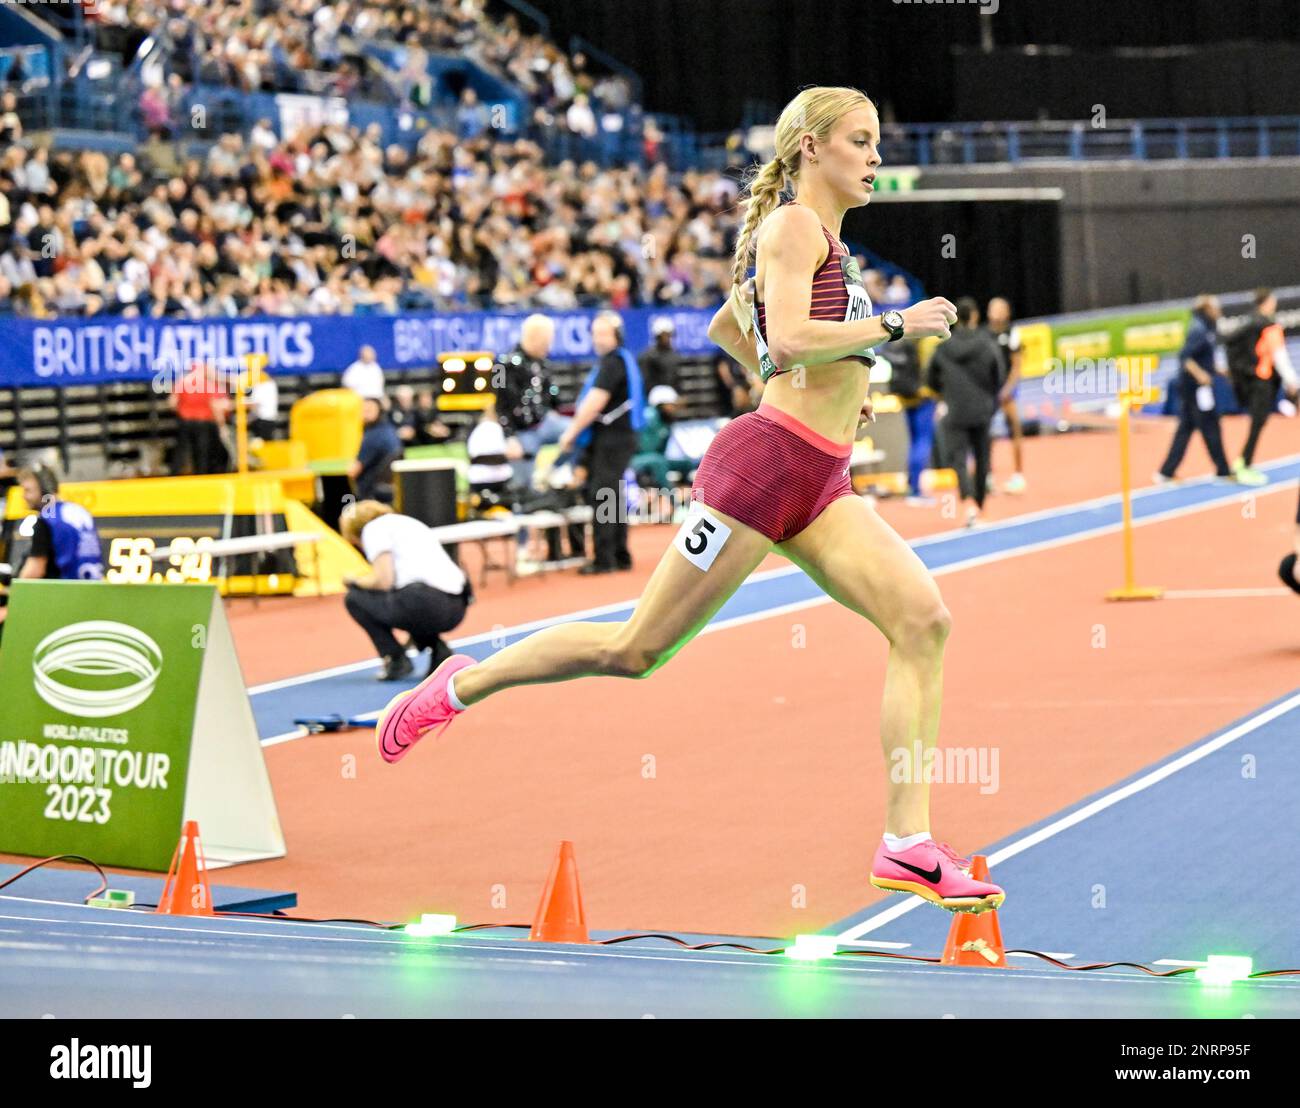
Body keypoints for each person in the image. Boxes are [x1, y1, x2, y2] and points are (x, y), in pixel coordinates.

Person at [372, 87, 1002, 917]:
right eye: (862, 140)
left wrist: (834, 385)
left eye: (877, 140)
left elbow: (730, 332)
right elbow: (780, 340)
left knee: (925, 621)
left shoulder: (828, 248)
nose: (876, 155)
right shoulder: (791, 229)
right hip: (763, 470)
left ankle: (907, 844)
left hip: (820, 479)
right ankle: (458, 686)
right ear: (813, 148)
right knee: (635, 650)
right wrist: (891, 328)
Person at [340, 500, 473, 681]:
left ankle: (395, 659)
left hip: (427, 603)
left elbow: (383, 581)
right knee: (405, 596)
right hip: (457, 605)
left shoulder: (373, 529)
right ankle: (439, 652)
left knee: (354, 599)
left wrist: (354, 581)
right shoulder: (408, 522)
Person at [557, 311, 646, 575]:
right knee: (613, 496)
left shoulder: (611, 364)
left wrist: (570, 433)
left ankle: (604, 558)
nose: (597, 339)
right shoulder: (621, 361)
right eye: (595, 334)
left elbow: (593, 403)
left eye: (603, 333)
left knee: (603, 495)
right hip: (621, 436)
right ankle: (619, 554)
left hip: (612, 438)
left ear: (616, 336)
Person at [0, 461, 104, 644]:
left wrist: (11, 604)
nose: (24, 497)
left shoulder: (46, 520)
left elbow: (34, 572)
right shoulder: (79, 512)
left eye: (28, 490)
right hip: (91, 600)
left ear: (44, 489)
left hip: (58, 604)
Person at [929, 299, 1003, 527]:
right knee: (982, 459)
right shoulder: (986, 342)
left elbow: (930, 379)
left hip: (956, 410)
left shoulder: (942, 348)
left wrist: (945, 395)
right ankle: (979, 508)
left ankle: (968, 504)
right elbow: (998, 374)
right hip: (982, 410)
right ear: (973, 317)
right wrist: (990, 398)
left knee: (958, 459)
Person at [1156, 295, 1241, 486]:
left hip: (1196, 388)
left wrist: (1217, 369)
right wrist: (1201, 374)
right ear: (1208, 309)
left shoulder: (1208, 327)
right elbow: (1184, 357)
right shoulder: (1199, 329)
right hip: (1195, 388)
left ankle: (1166, 472)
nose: (1220, 311)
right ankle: (1223, 470)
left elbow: (1203, 356)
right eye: (1216, 307)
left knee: (1185, 428)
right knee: (1211, 426)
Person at [1227, 288, 1299, 484]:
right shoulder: (1268, 326)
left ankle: (1243, 462)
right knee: (1257, 424)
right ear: (1266, 303)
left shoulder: (1248, 322)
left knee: (1257, 423)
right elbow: (1280, 357)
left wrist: (1242, 372)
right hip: (1262, 381)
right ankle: (1244, 465)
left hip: (1251, 380)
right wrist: (1292, 382)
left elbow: (1230, 345)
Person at [492, 314, 569, 487]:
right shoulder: (502, 365)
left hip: (545, 422)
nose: (548, 347)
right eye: (546, 342)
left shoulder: (543, 363)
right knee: (522, 484)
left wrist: (559, 411)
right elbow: (500, 405)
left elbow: (553, 395)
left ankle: (553, 471)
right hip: (521, 431)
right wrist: (509, 437)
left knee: (579, 432)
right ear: (535, 338)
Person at [880, 336, 937, 505]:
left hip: (906, 396)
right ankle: (916, 490)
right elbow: (931, 368)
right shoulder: (928, 340)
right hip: (923, 396)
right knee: (922, 441)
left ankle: (912, 485)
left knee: (914, 441)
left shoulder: (907, 338)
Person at [986, 297, 1027, 494]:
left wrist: (1007, 389)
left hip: (1008, 391)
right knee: (986, 434)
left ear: (1007, 312)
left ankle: (1018, 476)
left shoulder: (1013, 333)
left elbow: (1017, 365)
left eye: (999, 308)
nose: (995, 311)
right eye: (992, 308)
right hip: (988, 391)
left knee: (1015, 430)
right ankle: (987, 476)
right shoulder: (984, 334)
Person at [171, 360, 229, 474]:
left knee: (182, 450)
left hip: (185, 421)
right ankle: (202, 474)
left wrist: (182, 411)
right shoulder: (209, 384)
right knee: (203, 451)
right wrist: (221, 425)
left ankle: (175, 474)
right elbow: (215, 405)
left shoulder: (182, 382)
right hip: (204, 422)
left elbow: (172, 402)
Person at [349, 396, 402, 503]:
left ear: (379, 411)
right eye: (363, 410)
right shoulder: (390, 429)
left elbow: (352, 472)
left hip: (370, 494)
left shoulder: (373, 437)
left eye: (369, 410)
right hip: (391, 491)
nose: (364, 414)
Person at [640, 317, 681, 394]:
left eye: (669, 335)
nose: (667, 338)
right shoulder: (648, 357)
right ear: (657, 336)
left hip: (673, 395)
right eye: (664, 335)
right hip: (655, 396)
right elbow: (647, 382)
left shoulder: (675, 355)